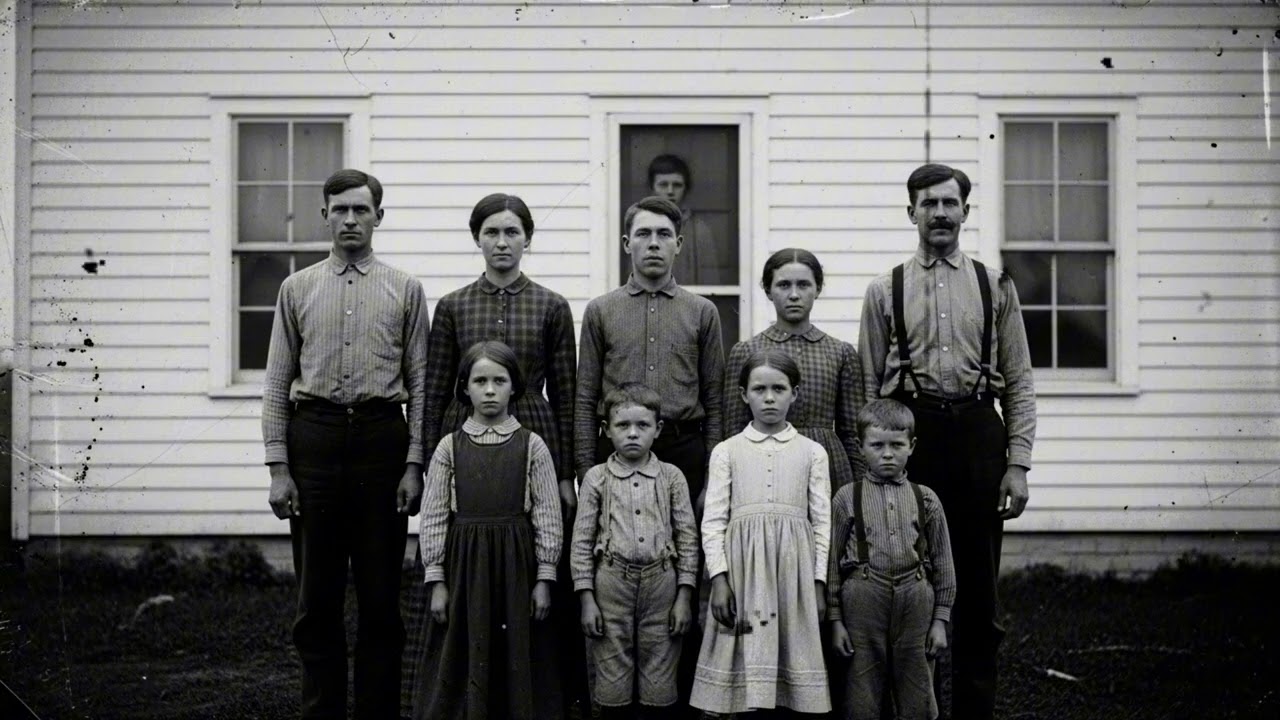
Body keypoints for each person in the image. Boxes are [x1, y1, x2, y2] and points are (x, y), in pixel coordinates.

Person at [858, 163, 1035, 720]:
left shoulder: (995, 285)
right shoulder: (885, 288)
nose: (939, 213)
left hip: (980, 435)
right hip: (914, 437)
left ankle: (974, 711)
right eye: (928, 203)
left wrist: (1018, 463)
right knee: (910, 579)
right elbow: (870, 388)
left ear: (965, 210)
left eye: (949, 203)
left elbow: (1021, 380)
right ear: (910, 211)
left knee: (978, 593)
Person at [403, 193, 581, 717]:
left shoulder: (551, 305)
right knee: (468, 566)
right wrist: (421, 461)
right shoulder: (455, 306)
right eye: (491, 233)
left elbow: (567, 393)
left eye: (512, 232)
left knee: (533, 570)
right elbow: (434, 388)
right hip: (466, 439)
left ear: (528, 239)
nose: (502, 242)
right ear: (477, 238)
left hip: (536, 434)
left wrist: (568, 472)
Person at [262, 168, 429, 719]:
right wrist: (278, 467)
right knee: (317, 601)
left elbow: (422, 384)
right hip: (316, 441)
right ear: (324, 215)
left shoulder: (405, 289)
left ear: (379, 216)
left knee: (382, 601)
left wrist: (413, 465)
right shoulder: (297, 288)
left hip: (382, 440)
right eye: (340, 210)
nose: (351, 220)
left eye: (362, 210)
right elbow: (276, 384)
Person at [575, 194, 724, 717]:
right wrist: (580, 468)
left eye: (664, 234)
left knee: (679, 571)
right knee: (611, 571)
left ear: (679, 244)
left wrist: (713, 475)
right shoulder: (601, 311)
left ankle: (675, 699)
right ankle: (611, 697)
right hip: (614, 448)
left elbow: (716, 396)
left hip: (682, 446)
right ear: (626, 243)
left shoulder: (702, 313)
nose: (654, 244)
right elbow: (584, 392)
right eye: (643, 234)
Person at [409, 341, 564, 720]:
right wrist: (437, 580)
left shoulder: (533, 446)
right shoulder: (449, 447)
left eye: (500, 380)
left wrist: (544, 576)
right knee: (463, 653)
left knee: (517, 653)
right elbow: (431, 518)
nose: (490, 390)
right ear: (465, 388)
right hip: (465, 569)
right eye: (480, 381)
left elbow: (547, 515)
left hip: (516, 567)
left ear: (515, 387)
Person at [691, 350, 832, 717]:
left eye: (778, 388)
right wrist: (719, 579)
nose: (769, 398)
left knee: (791, 657)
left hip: (793, 573)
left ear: (795, 393)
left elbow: (822, 522)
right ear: (743, 395)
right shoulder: (726, 451)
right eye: (759, 389)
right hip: (743, 573)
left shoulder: (813, 453)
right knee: (742, 649)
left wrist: (817, 584)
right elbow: (714, 520)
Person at [571, 382, 700, 720]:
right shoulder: (597, 478)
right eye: (622, 426)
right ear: (607, 430)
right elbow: (582, 541)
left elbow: (687, 538)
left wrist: (684, 596)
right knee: (611, 672)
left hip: (662, 586)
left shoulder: (672, 477)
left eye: (642, 426)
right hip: (611, 584)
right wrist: (586, 599)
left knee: (659, 672)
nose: (632, 434)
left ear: (657, 429)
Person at [828, 399, 956, 720]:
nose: (887, 453)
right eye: (877, 445)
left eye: (897, 445)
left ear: (911, 446)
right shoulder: (847, 497)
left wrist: (940, 620)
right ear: (860, 447)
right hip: (863, 598)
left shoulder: (925, 498)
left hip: (915, 600)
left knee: (917, 691)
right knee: (862, 690)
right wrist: (835, 620)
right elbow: (830, 563)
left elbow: (943, 564)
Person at [724, 248, 866, 492]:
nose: (793, 295)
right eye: (783, 285)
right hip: (763, 462)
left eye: (803, 285)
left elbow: (853, 432)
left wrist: (861, 486)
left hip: (827, 465)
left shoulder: (839, 352)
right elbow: (733, 429)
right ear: (768, 291)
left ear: (818, 289)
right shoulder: (747, 351)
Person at [648, 154, 720, 286]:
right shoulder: (641, 227)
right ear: (652, 188)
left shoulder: (700, 230)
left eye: (677, 185)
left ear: (685, 188)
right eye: (663, 185)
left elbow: (711, 282)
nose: (670, 191)